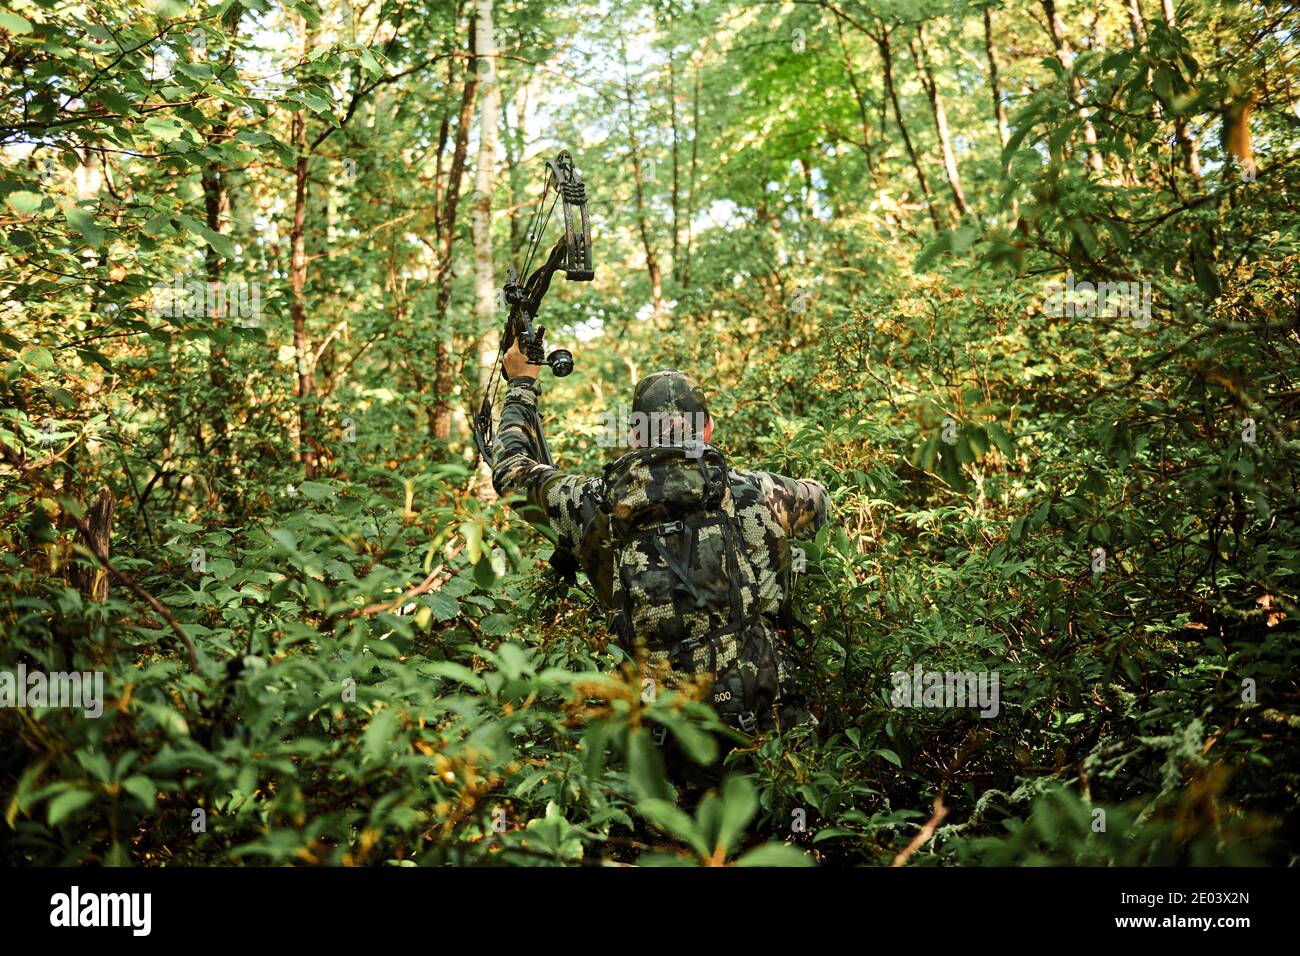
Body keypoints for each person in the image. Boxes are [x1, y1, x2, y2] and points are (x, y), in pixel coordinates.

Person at [490, 336, 829, 789]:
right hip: (767, 715)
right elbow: (821, 501)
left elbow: (512, 471)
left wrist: (521, 385)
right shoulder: (758, 493)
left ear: (634, 435)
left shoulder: (594, 504)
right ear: (707, 430)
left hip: (665, 729)